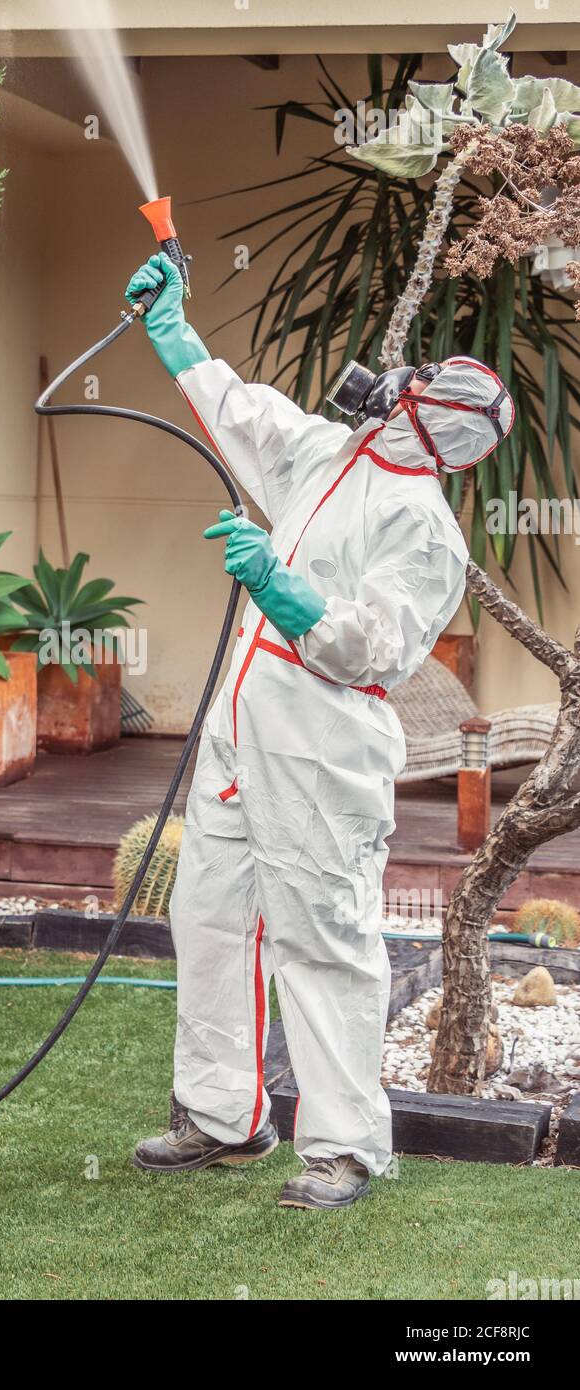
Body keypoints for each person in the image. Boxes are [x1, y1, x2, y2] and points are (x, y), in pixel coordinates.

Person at [124, 252, 514, 1209]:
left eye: (421, 384)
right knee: (210, 917)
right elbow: (245, 415)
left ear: (442, 425)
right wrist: (173, 330)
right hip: (241, 722)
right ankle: (223, 1117)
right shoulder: (333, 454)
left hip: (322, 747)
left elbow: (371, 647)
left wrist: (283, 588)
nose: (400, 383)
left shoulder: (425, 527)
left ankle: (344, 1149)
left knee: (324, 938)